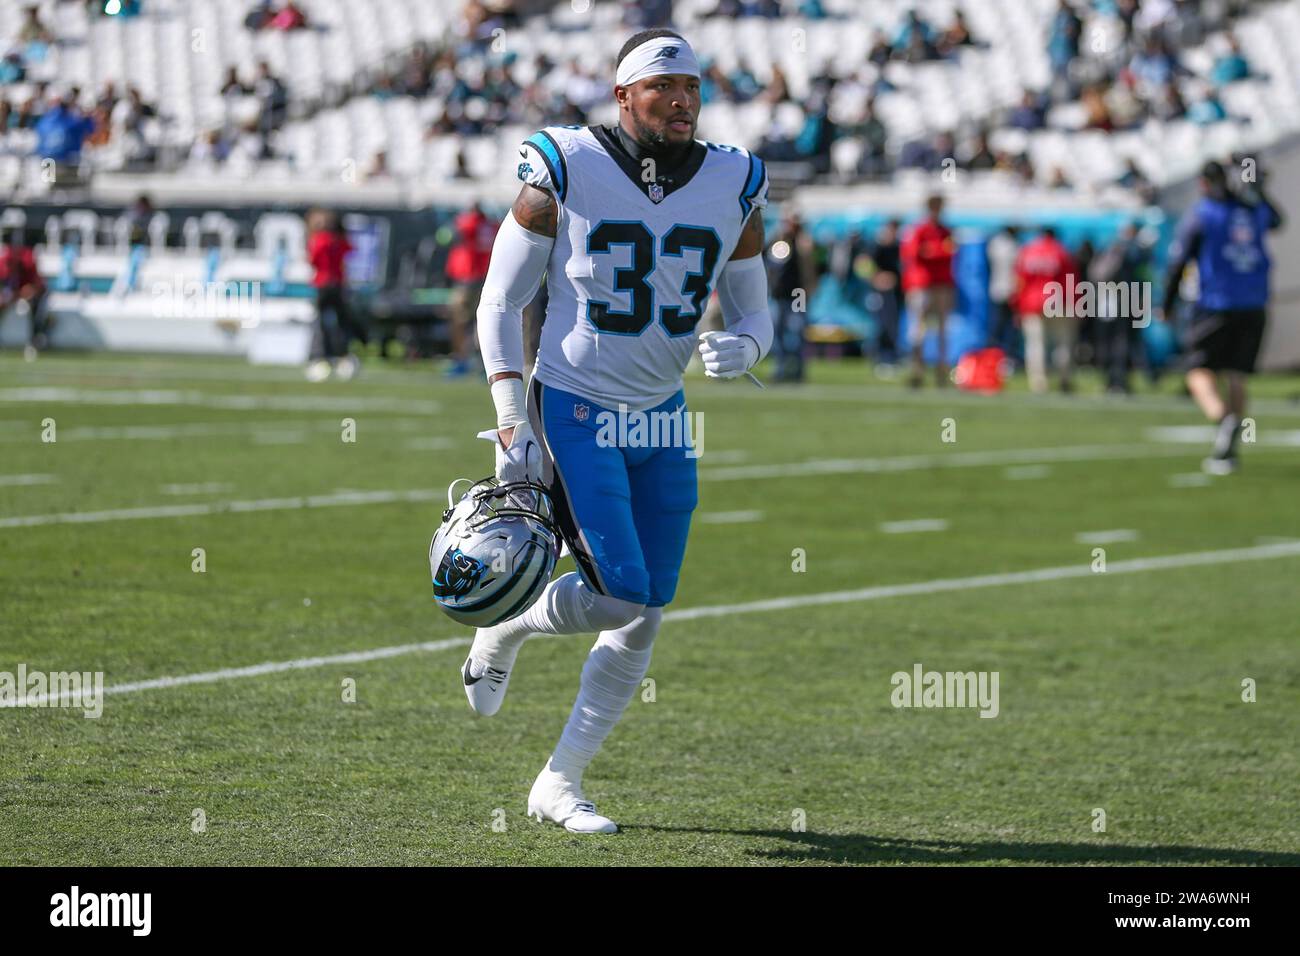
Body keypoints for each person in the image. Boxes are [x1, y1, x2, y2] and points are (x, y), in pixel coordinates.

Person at [463, 28, 771, 834]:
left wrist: (749, 344)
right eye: (663, 87)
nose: (682, 101)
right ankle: (506, 626)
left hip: (665, 414)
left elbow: (755, 303)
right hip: (572, 403)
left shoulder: (734, 178)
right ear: (623, 95)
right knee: (618, 591)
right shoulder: (567, 164)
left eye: (693, 88)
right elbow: (499, 300)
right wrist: (508, 419)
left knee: (647, 608)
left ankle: (559, 783)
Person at [1160, 160, 1283, 473]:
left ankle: (1223, 419)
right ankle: (1229, 451)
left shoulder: (1204, 213)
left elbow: (1178, 261)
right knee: (1236, 374)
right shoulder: (1251, 210)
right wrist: (1258, 187)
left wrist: (1167, 303)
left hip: (1215, 303)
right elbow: (1278, 220)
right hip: (1254, 303)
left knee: (1198, 370)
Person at [1013, 226, 1078, 393]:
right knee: (1063, 343)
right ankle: (1064, 378)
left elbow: (1019, 281)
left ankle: (1038, 383)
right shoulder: (1061, 251)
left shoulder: (1028, 251)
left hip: (1032, 303)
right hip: (1057, 302)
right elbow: (1070, 281)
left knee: (1035, 344)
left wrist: (1017, 306)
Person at [900, 194, 956, 387]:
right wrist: (937, 251)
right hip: (921, 284)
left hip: (941, 284)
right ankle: (917, 369)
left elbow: (950, 252)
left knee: (942, 329)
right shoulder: (919, 229)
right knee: (918, 329)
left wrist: (935, 251)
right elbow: (914, 254)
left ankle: (941, 371)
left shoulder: (945, 230)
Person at [305, 209, 362, 381]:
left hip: (328, 284)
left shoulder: (323, 240)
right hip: (330, 284)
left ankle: (333, 355)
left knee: (330, 323)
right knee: (327, 323)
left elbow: (313, 259)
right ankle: (326, 356)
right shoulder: (329, 240)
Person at [443, 202, 497, 377]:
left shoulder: (470, 222)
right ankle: (483, 364)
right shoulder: (493, 225)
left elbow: (445, 236)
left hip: (469, 280)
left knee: (459, 321)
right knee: (483, 324)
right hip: (487, 278)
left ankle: (462, 360)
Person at [766, 214, 816, 382]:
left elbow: (812, 264)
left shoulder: (804, 242)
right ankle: (780, 368)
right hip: (779, 293)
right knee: (778, 330)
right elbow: (770, 258)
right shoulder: (779, 240)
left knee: (796, 329)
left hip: (798, 293)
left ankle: (797, 369)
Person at [0, 228, 49, 361]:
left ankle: (34, 339)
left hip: (32, 294)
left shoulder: (28, 259)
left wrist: (27, 291)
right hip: (14, 294)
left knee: (36, 304)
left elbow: (38, 285)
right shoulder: (4, 260)